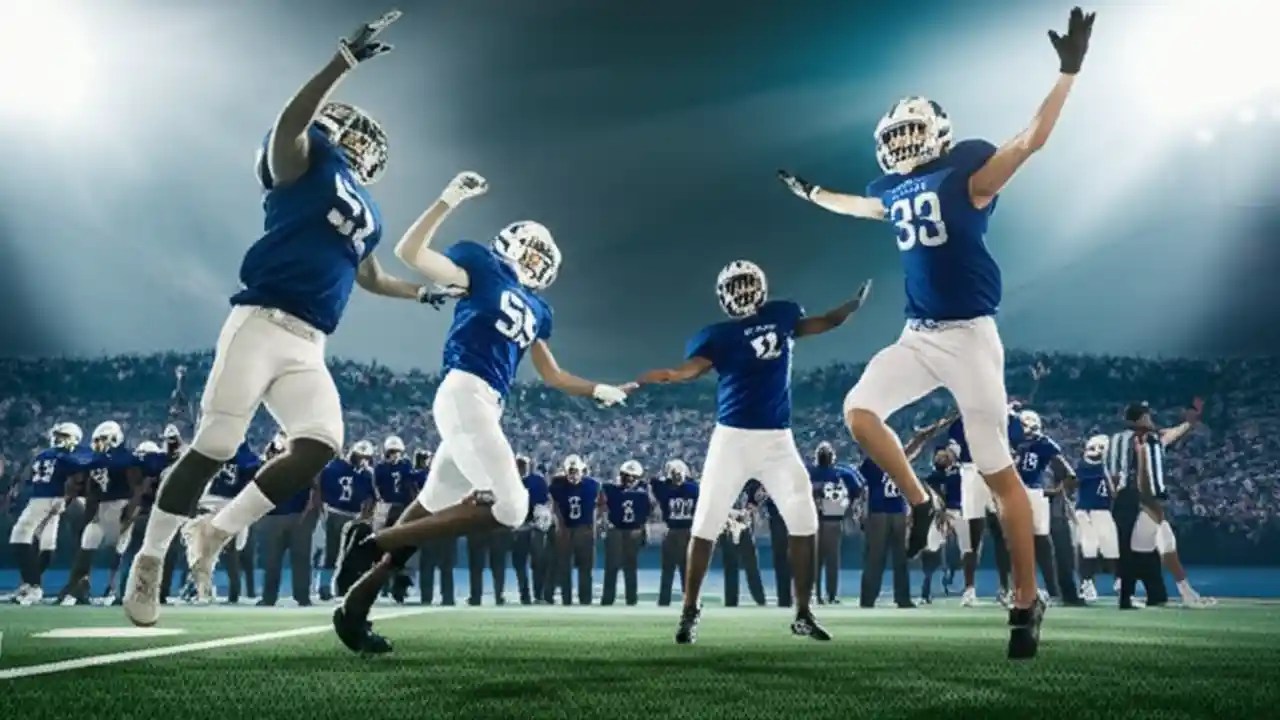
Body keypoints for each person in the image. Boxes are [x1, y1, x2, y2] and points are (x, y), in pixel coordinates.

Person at [778, 8, 1096, 658]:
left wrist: (1066, 73)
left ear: (939, 132)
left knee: (1000, 473)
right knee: (859, 411)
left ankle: (1025, 603)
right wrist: (813, 195)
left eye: (911, 131)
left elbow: (1029, 141)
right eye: (894, 134)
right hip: (919, 335)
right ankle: (922, 502)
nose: (899, 143)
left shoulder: (966, 172)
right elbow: (864, 204)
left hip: (973, 337)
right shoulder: (894, 189)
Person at [124, 9, 440, 627]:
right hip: (262, 320)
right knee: (215, 443)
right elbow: (290, 123)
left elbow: (370, 275)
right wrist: (340, 65)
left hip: (311, 342)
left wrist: (419, 293)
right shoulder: (307, 160)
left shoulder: (369, 209)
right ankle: (152, 554)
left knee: (321, 443)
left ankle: (215, 529)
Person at [331, 169, 635, 654]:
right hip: (463, 391)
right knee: (511, 507)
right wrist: (448, 199)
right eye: (530, 248)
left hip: (485, 407)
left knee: (424, 515)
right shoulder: (482, 265)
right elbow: (411, 253)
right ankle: (370, 541)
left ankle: (354, 609)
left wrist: (600, 389)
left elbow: (553, 374)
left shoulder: (539, 309)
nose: (534, 259)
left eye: (543, 255)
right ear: (510, 242)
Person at [638, 259, 873, 643]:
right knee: (706, 523)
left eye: (746, 284)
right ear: (722, 296)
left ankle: (802, 612)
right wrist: (665, 375)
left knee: (804, 520)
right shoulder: (718, 335)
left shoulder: (782, 315)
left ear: (760, 287)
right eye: (735, 286)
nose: (741, 292)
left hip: (777, 439)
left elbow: (825, 322)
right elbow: (690, 370)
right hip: (732, 438)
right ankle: (689, 612)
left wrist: (851, 306)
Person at [600, 460, 650, 606]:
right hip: (616, 530)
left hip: (633, 531)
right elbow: (602, 505)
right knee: (612, 567)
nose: (629, 479)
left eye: (633, 477)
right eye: (626, 476)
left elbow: (650, 511)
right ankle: (608, 599)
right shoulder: (611, 489)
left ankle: (631, 599)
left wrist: (643, 528)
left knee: (630, 567)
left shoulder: (644, 493)